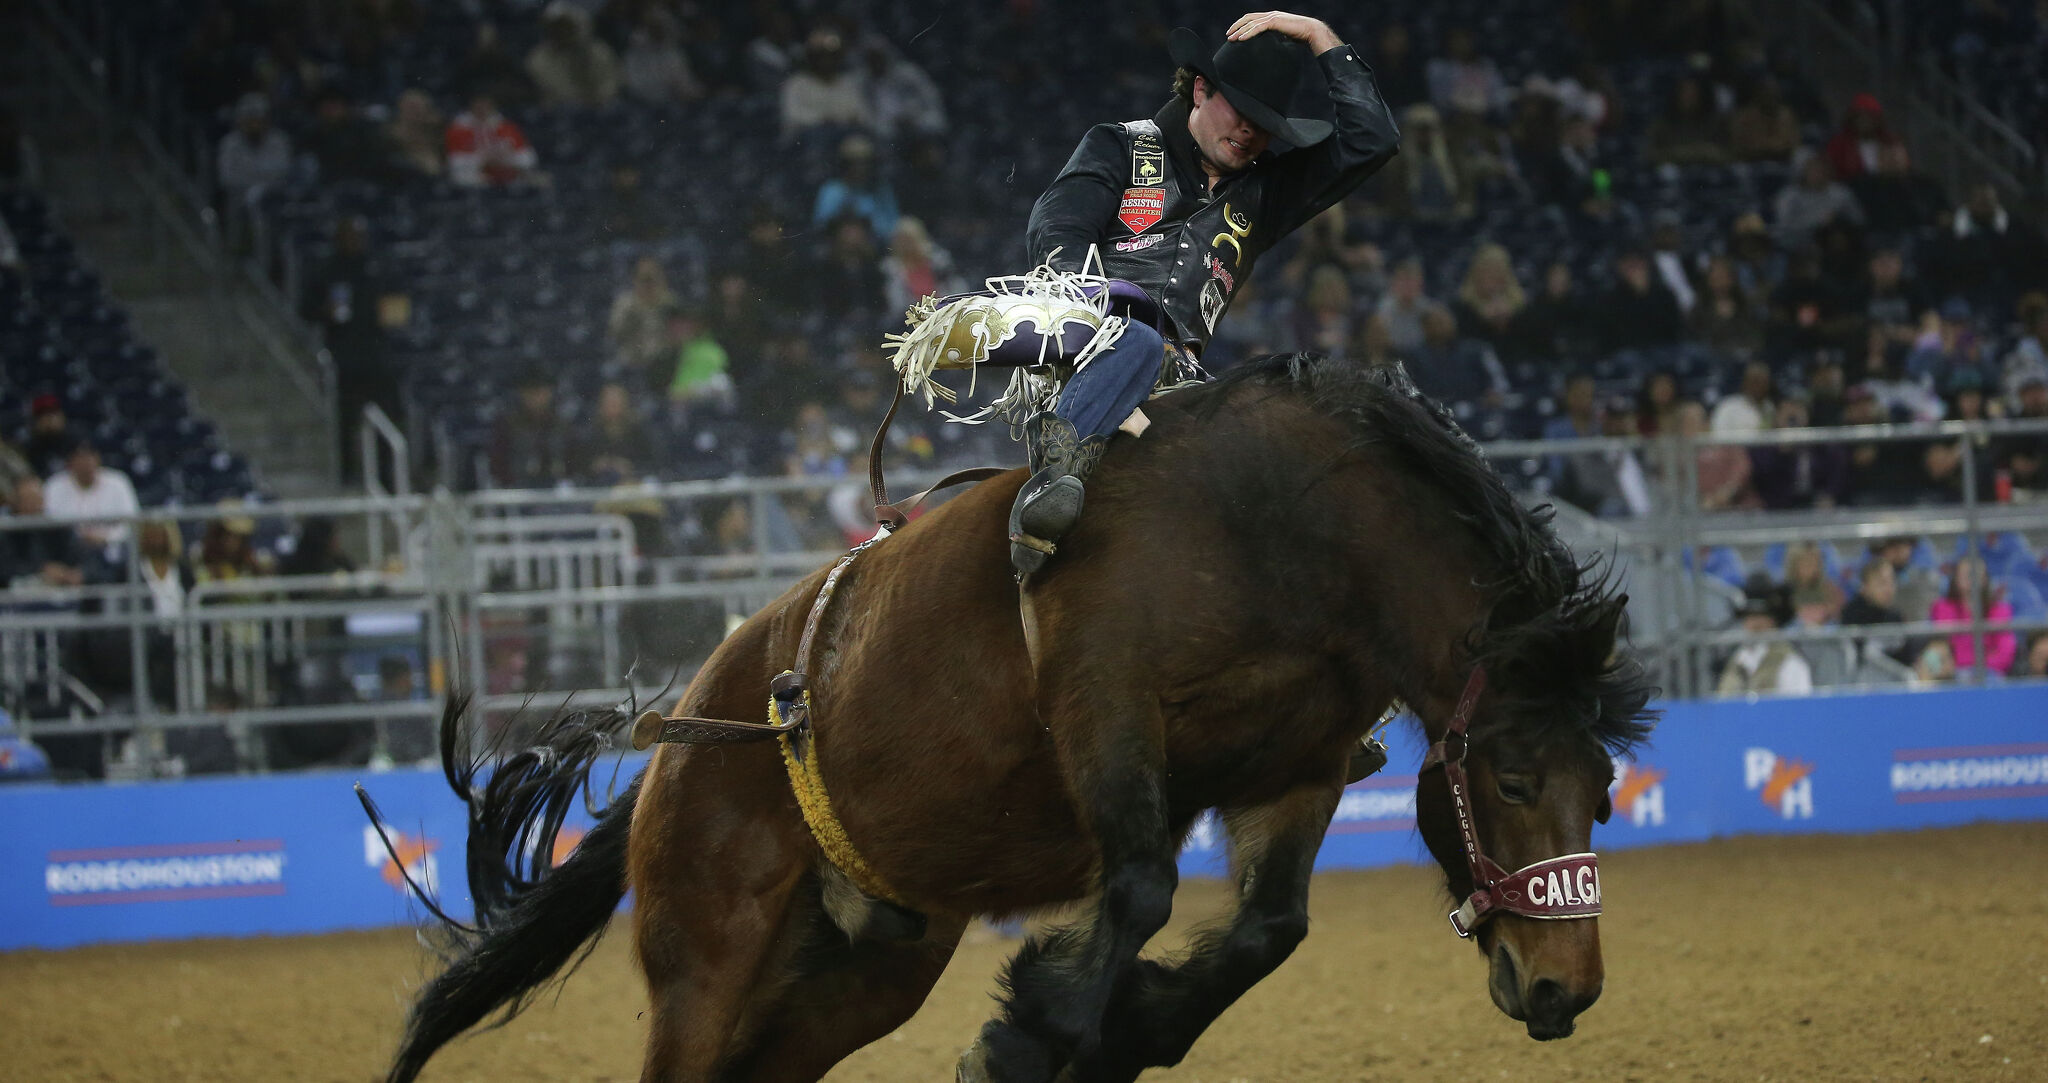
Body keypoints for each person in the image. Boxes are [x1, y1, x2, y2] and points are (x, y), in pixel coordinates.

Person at [964, 13, 1399, 577]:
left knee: (1283, 405)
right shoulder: (1119, 144)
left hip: (1184, 383)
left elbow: (1374, 140)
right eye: (1241, 113)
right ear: (1200, 89)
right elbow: (1058, 233)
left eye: (1265, 125)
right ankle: (1052, 482)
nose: (1249, 133)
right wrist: (1101, 313)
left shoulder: (1267, 191)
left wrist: (1319, 33)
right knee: (1140, 341)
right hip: (1082, 353)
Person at [1717, 579, 1813, 695]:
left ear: (1774, 621)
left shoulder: (1790, 661)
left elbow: (1800, 705)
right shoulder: (1736, 660)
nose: (1755, 624)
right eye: (1750, 616)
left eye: (1761, 616)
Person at [42, 438, 140, 551]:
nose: (86, 462)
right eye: (79, 457)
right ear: (69, 461)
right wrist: (78, 537)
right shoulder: (54, 486)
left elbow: (132, 523)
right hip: (68, 550)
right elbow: (48, 524)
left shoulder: (118, 482)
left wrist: (106, 538)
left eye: (89, 456)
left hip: (112, 549)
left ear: (98, 458)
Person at [1930, 555, 2016, 676]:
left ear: (1985, 578)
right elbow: (1943, 647)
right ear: (1956, 578)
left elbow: (2005, 651)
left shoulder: (2000, 610)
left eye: (1975, 573)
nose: (1970, 577)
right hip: (1953, 674)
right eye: (1966, 573)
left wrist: (1980, 669)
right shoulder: (1942, 607)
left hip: (1990, 674)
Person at [526, 3, 619, 108]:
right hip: (560, 112)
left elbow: (610, 84)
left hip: (601, 109)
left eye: (567, 26)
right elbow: (555, 91)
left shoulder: (598, 51)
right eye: (557, 27)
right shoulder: (538, 58)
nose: (562, 31)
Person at [811, 134, 899, 239]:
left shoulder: (881, 190)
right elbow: (821, 224)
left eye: (865, 163)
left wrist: (871, 224)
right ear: (845, 164)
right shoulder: (833, 189)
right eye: (854, 163)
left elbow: (893, 224)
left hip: (876, 245)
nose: (860, 168)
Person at [445, 91, 537, 188]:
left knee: (537, 179)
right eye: (479, 105)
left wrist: (505, 159)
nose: (482, 109)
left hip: (509, 173)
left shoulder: (505, 127)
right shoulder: (459, 129)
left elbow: (528, 157)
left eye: (486, 105)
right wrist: (484, 160)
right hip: (475, 177)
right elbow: (455, 162)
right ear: (471, 106)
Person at [216, 93, 292, 208]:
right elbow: (227, 177)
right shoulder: (229, 144)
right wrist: (258, 181)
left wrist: (259, 183)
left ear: (266, 120)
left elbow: (284, 172)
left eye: (258, 120)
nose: (254, 125)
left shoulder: (279, 140)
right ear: (240, 121)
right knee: (253, 196)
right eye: (249, 120)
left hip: (275, 196)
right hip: (239, 200)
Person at [607, 256, 678, 373]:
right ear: (635, 279)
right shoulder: (625, 303)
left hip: (665, 365)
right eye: (644, 279)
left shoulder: (670, 301)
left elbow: (681, 337)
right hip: (631, 364)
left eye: (653, 278)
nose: (649, 284)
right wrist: (637, 308)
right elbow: (615, 333)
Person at [1822, 93, 1903, 181]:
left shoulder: (1889, 141)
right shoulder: (1839, 144)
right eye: (1860, 117)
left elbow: (1901, 169)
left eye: (1869, 117)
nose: (1865, 122)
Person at [386, 89, 444, 178]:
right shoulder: (390, 134)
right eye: (410, 107)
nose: (414, 112)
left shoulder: (434, 131)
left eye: (418, 108)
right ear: (401, 108)